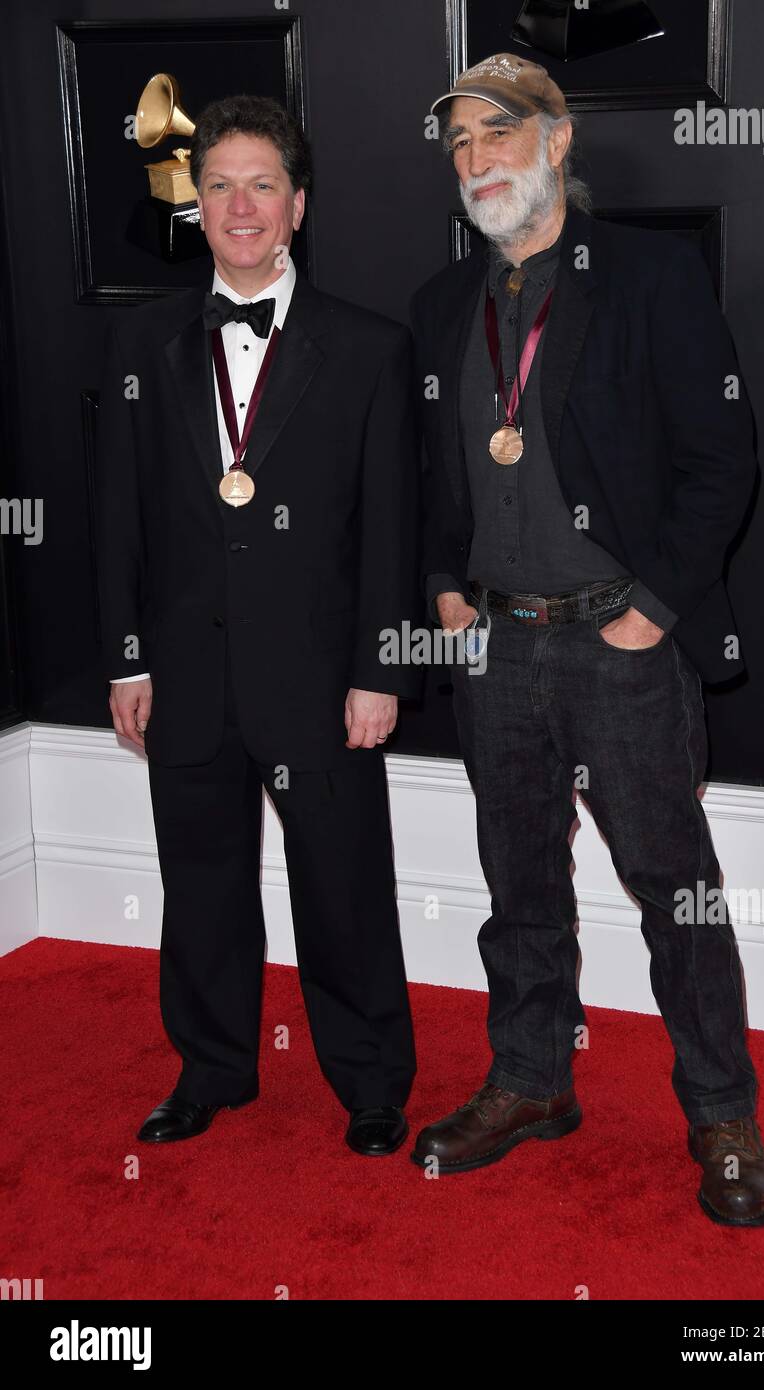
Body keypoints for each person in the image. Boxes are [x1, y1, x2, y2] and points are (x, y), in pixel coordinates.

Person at [408, 54, 764, 1225]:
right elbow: (433, 472)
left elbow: (721, 461)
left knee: (677, 892)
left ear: (556, 142)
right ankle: (528, 1083)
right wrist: (441, 582)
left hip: (617, 646)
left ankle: (720, 1113)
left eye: (497, 136)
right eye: (459, 145)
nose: (476, 163)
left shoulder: (648, 275)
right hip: (494, 652)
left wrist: (652, 609)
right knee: (516, 890)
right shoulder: (436, 304)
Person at [95, 94, 419, 1156]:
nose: (239, 204)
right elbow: (117, 515)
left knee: (344, 886)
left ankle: (370, 1080)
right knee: (199, 879)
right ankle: (213, 1066)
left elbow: (390, 527)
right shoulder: (143, 342)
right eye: (219, 183)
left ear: (297, 206)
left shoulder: (367, 348)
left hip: (321, 675)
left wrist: (379, 668)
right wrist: (127, 659)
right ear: (199, 207)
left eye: (261, 184)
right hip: (183, 670)